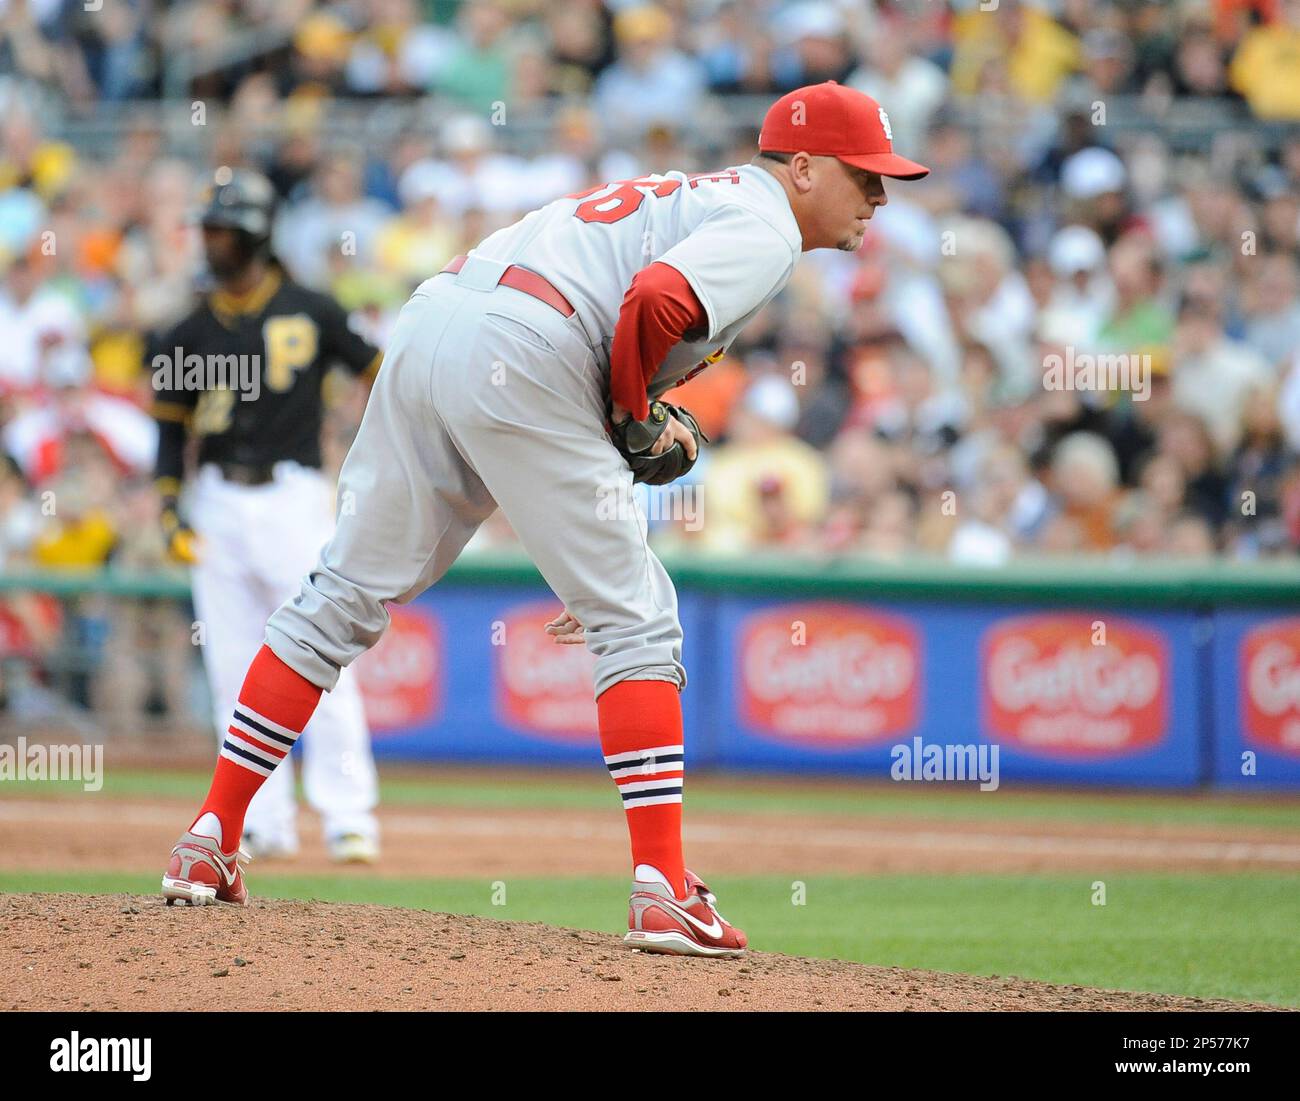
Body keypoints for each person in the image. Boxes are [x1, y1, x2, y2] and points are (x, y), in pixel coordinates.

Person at [161, 83, 930, 958]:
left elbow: (630, 308)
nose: (878, 196)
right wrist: (636, 418)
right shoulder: (763, 227)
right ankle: (663, 889)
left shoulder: (695, 195)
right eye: (865, 175)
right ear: (801, 168)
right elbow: (655, 304)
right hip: (528, 343)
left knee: (342, 593)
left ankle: (212, 835)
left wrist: (611, 442)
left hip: (436, 320)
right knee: (638, 620)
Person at [151, 169, 382, 864]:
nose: (210, 240)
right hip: (218, 499)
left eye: (222, 229)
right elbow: (169, 436)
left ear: (254, 233)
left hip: (293, 496)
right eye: (207, 228)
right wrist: (168, 507)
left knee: (322, 653)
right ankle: (260, 819)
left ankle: (349, 815)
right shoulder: (183, 332)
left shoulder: (312, 307)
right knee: (231, 665)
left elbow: (382, 372)